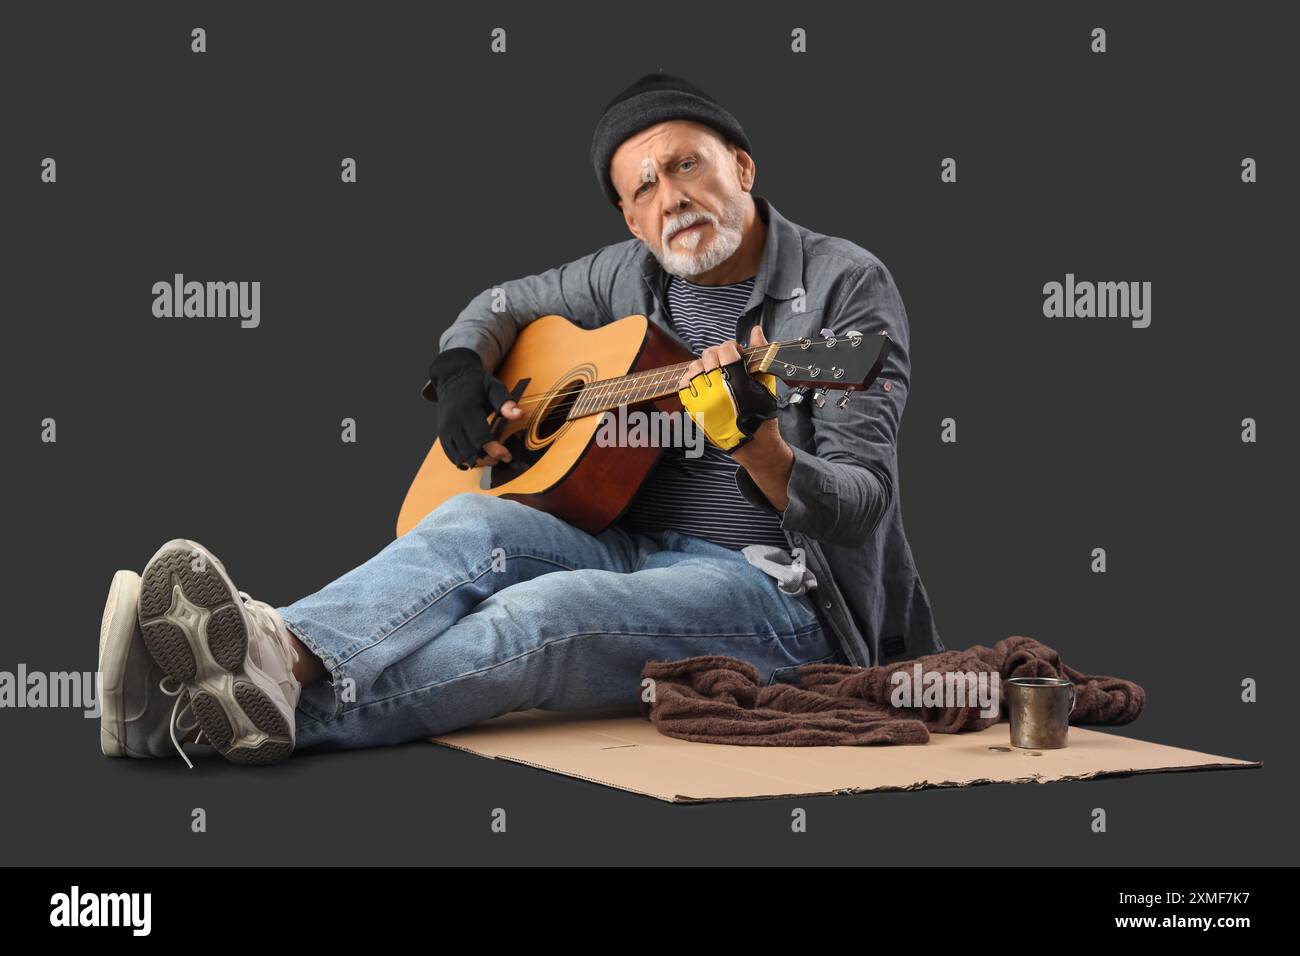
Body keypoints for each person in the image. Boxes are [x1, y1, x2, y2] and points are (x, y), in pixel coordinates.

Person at [96, 72, 943, 767]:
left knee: (549, 615)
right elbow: (502, 304)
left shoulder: (844, 289)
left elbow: (863, 500)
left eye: (687, 165)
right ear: (627, 217)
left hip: (775, 592)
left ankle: (201, 719)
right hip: (630, 544)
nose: (670, 196)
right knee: (470, 518)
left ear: (743, 168)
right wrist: (461, 365)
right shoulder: (627, 277)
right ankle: (275, 654)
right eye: (643, 186)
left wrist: (760, 449)